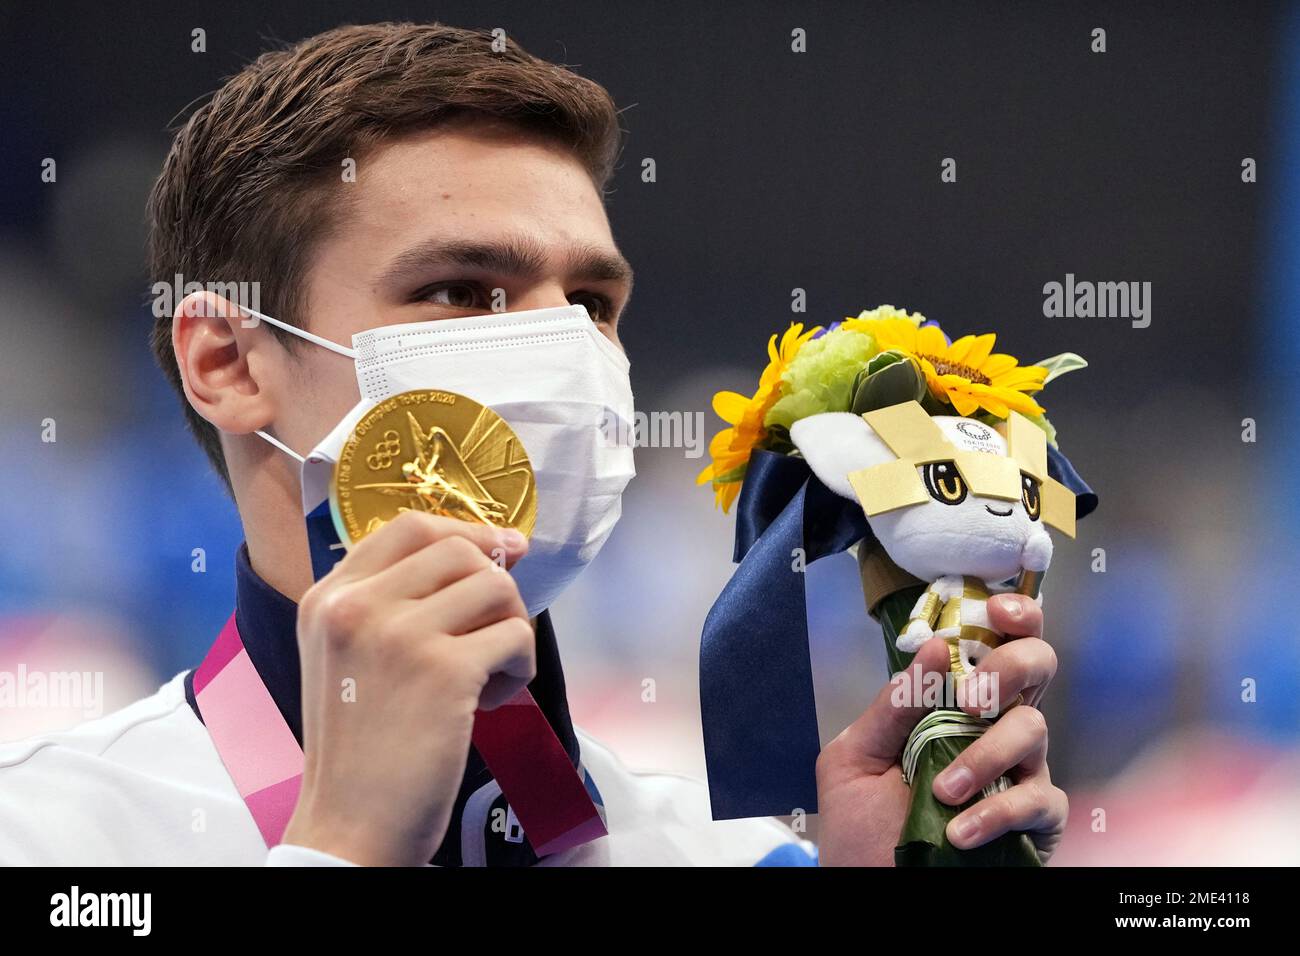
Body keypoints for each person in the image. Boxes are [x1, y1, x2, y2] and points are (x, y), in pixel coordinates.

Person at [0, 21, 1066, 866]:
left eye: (592, 303)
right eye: (464, 290)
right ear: (229, 361)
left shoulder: (722, 853)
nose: (563, 353)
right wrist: (344, 849)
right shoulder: (49, 836)